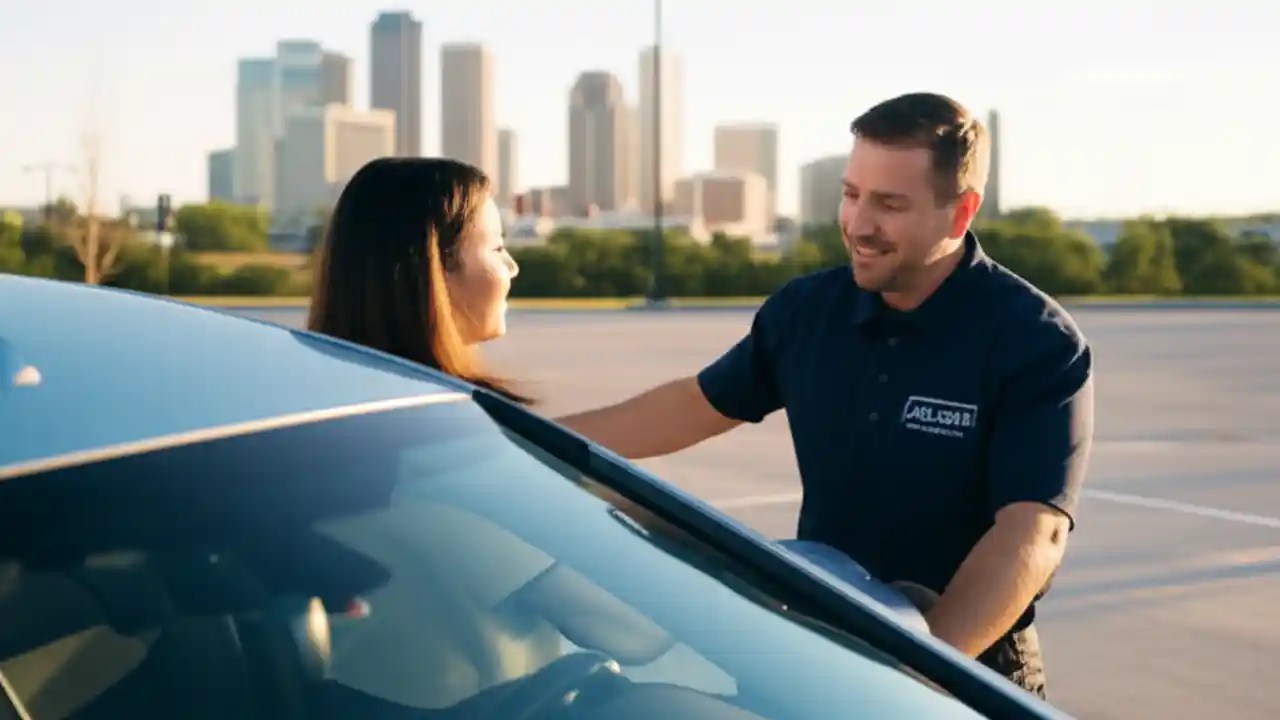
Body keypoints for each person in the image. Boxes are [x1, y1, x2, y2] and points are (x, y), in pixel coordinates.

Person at [556, 92, 1094, 698]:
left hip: (964, 668)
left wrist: (914, 677)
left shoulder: (1033, 340)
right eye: (851, 194)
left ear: (960, 212)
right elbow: (689, 407)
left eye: (890, 204)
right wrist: (523, 438)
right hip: (822, 641)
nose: (859, 224)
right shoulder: (807, 311)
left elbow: (1031, 534)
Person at [308, 157, 528, 403]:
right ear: (436, 270)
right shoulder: (450, 421)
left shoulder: (326, 403)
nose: (512, 267)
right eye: (497, 248)